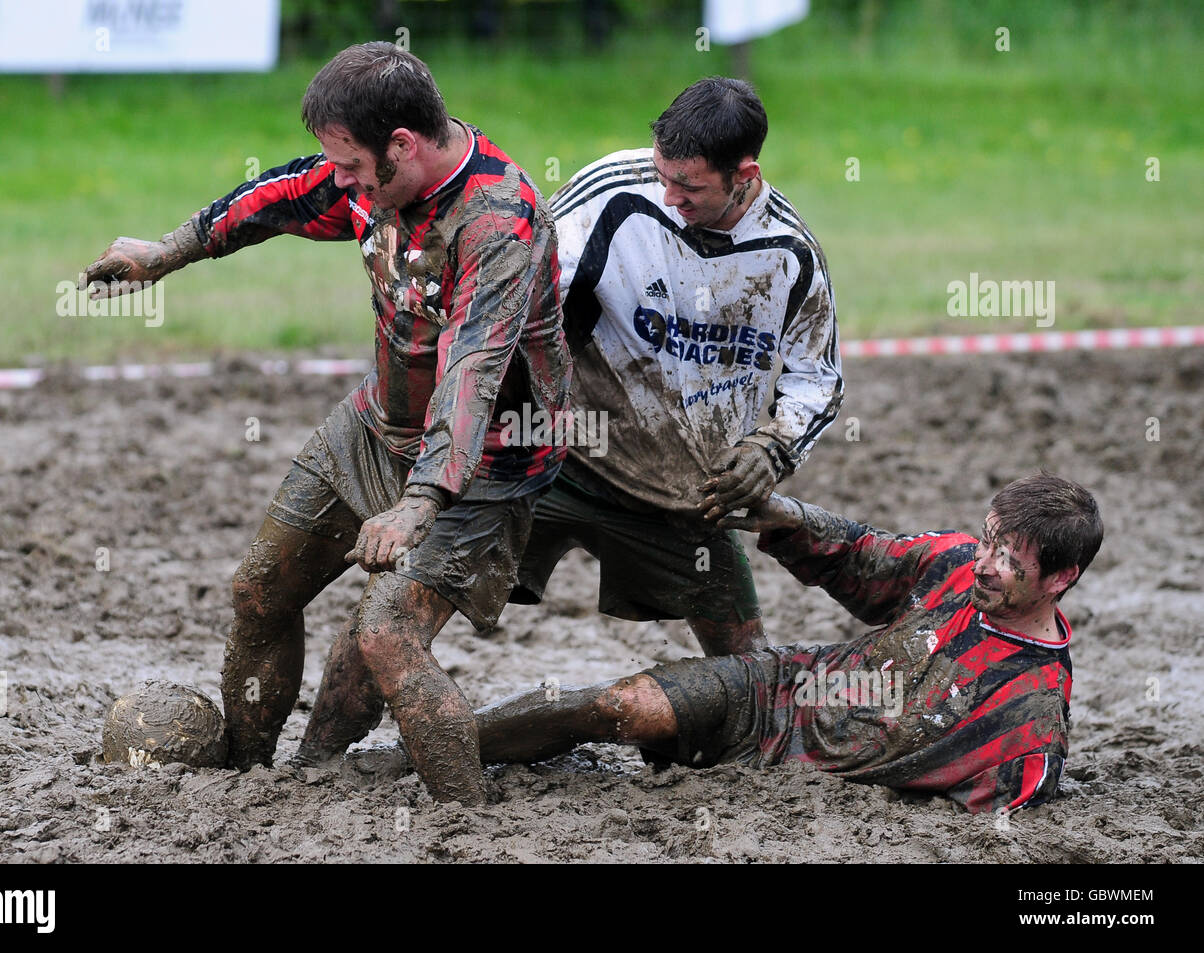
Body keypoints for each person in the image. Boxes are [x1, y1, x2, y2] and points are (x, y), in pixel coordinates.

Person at [81, 42, 572, 805]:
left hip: (484, 463)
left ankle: (470, 824)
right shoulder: (368, 181)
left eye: (349, 163)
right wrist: (166, 252)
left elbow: (472, 372)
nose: (337, 178)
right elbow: (279, 194)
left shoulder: (496, 221)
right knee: (258, 592)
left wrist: (420, 501)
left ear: (403, 146)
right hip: (374, 426)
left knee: (384, 636)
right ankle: (249, 781)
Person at [475, 474, 1103, 813]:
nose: (988, 564)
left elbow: (1004, 806)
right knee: (620, 706)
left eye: (1010, 559)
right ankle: (447, 742)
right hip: (783, 692)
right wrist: (783, 515)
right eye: (989, 540)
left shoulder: (1032, 705)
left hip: (824, 780)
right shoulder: (956, 564)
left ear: (1060, 578)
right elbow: (862, 555)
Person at [507, 76, 843, 657]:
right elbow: (518, 289)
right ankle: (323, 749)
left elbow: (817, 378)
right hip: (555, 455)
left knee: (747, 668)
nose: (668, 196)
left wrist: (771, 448)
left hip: (684, 496)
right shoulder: (613, 193)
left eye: (688, 186)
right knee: (408, 596)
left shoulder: (790, 257)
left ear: (746, 176)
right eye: (662, 176)